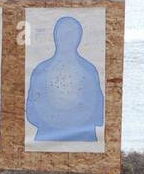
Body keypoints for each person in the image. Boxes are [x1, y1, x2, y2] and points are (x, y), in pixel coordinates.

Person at [26, 15, 104, 143]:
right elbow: (32, 108)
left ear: (78, 38)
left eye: (71, 35)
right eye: (63, 35)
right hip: (47, 134)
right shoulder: (42, 69)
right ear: (56, 37)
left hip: (83, 136)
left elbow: (98, 107)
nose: (67, 40)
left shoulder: (89, 69)